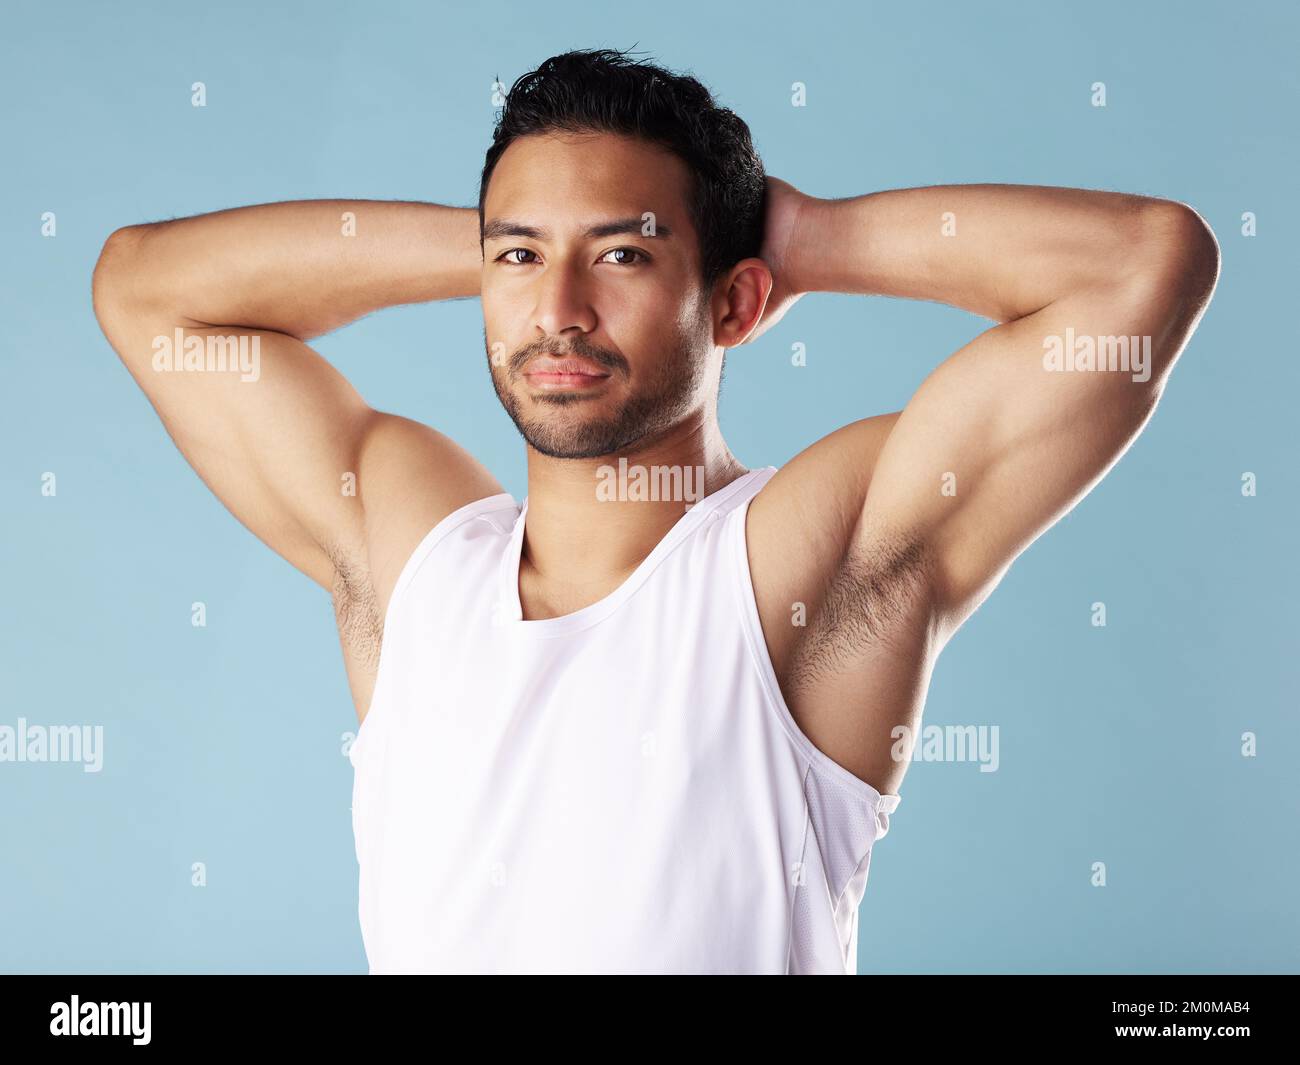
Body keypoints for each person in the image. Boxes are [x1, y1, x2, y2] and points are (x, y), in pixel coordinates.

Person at [90, 48, 1219, 974]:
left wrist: (790, 240)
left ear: (734, 301)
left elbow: (1142, 267)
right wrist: (528, 234)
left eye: (624, 258)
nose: (560, 313)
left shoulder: (803, 566)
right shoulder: (412, 559)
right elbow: (145, 290)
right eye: (521, 262)